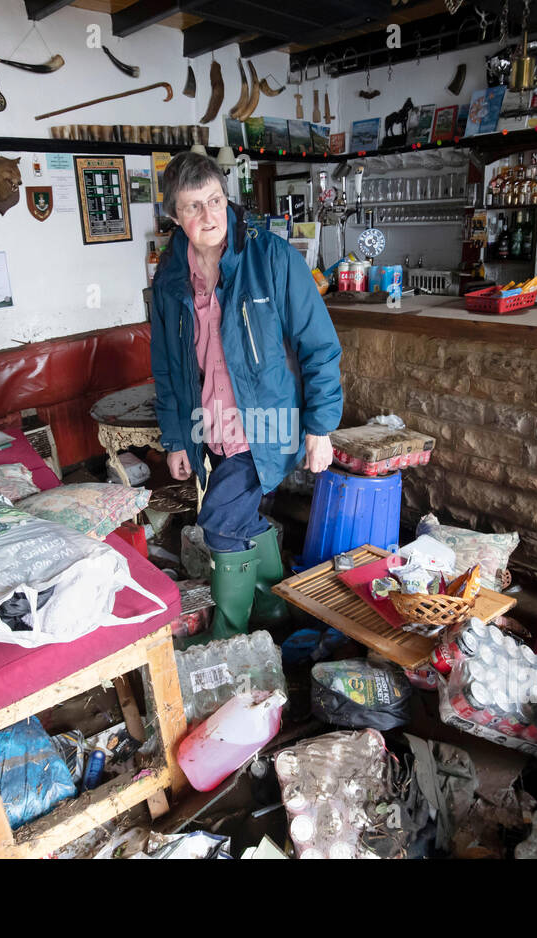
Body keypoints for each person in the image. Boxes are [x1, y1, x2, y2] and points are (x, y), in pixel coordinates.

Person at [150, 151, 343, 640]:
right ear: (175, 215)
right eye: (193, 207)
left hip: (267, 426)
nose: (209, 216)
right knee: (241, 520)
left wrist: (320, 427)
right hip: (210, 428)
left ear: (226, 198)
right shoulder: (170, 279)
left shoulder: (270, 257)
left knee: (218, 523)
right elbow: (168, 369)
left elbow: (319, 345)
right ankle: (278, 613)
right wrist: (176, 439)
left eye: (215, 200)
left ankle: (229, 635)